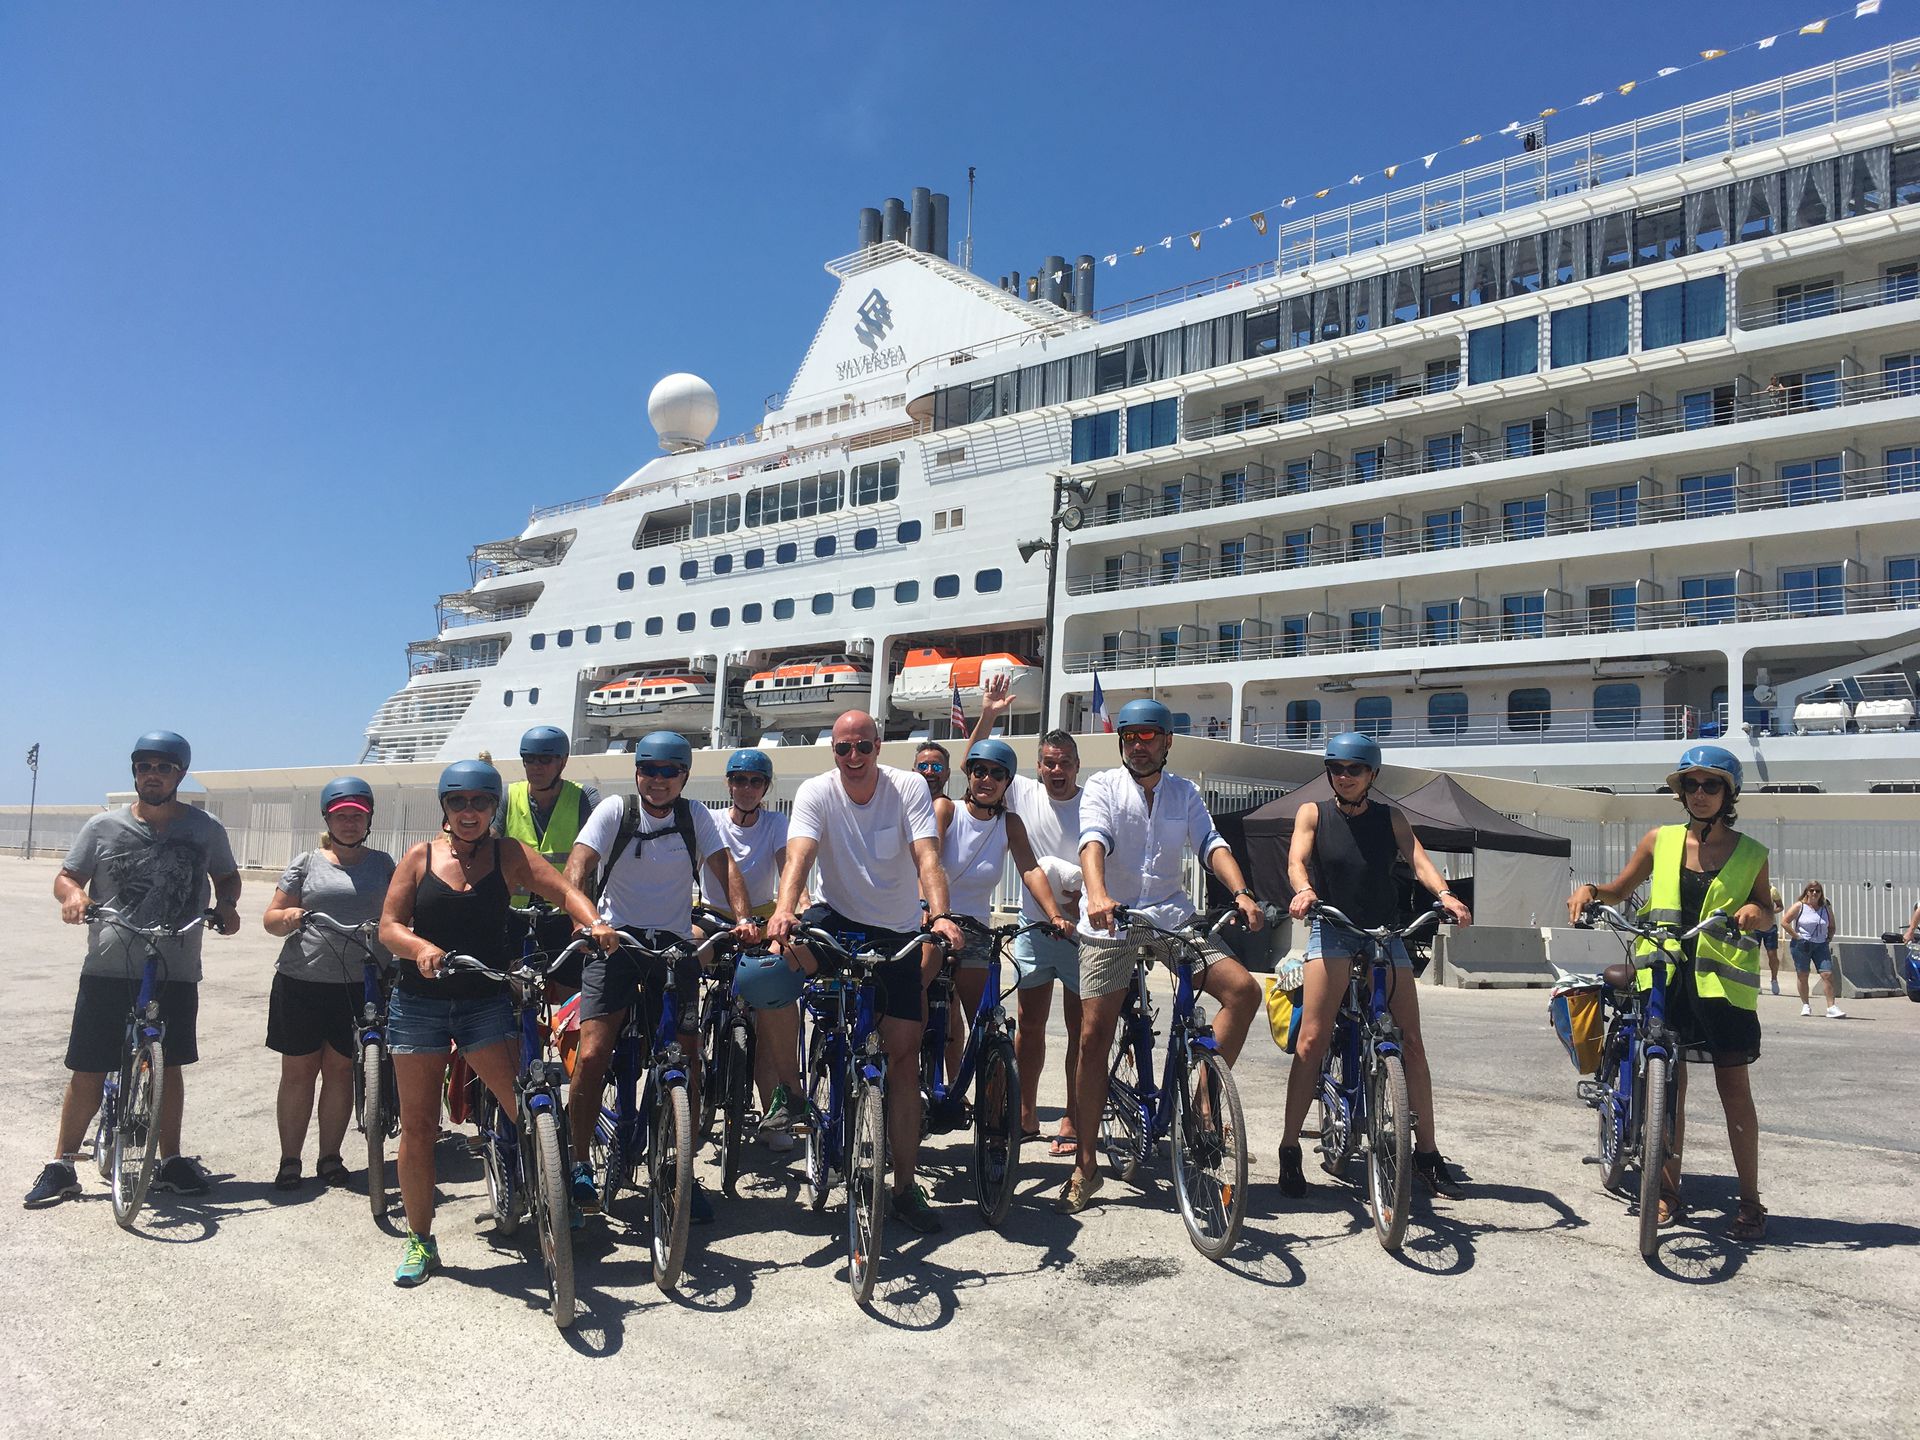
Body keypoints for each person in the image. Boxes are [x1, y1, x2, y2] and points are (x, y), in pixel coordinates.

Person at [379, 760, 614, 1286]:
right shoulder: (419, 858)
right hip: (419, 1004)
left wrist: (593, 921)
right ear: (444, 806)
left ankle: (552, 1199)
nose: (469, 812)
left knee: (528, 1114)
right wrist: (419, 949)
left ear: (493, 808)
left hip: (485, 1001)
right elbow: (389, 927)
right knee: (418, 1126)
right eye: (458, 802)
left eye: (480, 803)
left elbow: (562, 890)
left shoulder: (507, 854)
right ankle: (422, 1241)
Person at [1063, 699, 1265, 1215]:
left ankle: (1203, 1099)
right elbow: (1093, 842)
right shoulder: (1104, 788)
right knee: (1092, 1036)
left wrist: (1241, 891)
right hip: (1113, 920)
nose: (1139, 743)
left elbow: (1211, 843)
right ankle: (1085, 1165)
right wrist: (1099, 895)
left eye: (1150, 735)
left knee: (1243, 990)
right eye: (1130, 736)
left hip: (1171, 917)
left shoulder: (1185, 792)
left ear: (1168, 741)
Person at [767, 710, 965, 1233]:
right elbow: (799, 857)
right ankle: (791, 1089)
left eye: (863, 748)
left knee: (902, 1061)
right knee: (768, 972)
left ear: (879, 746)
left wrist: (940, 915)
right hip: (835, 918)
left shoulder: (906, 789)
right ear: (833, 751)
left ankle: (903, 1187)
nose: (853, 758)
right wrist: (785, 909)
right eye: (843, 749)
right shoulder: (817, 791)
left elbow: (928, 858)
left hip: (896, 929)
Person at [26, 731, 242, 1208]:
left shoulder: (205, 829)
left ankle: (171, 1160)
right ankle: (62, 1163)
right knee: (89, 1064)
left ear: (179, 775)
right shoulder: (102, 827)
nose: (153, 775)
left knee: (173, 1062)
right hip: (109, 964)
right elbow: (68, 875)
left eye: (163, 768)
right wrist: (73, 896)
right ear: (135, 773)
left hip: (176, 964)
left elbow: (226, 875)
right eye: (144, 767)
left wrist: (226, 903)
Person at [1567, 744, 1774, 1242]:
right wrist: (1590, 891)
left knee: (1735, 1094)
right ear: (1680, 792)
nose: (1699, 794)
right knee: (1668, 1088)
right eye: (1690, 785)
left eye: (1711, 785)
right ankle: (1665, 1193)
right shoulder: (1660, 839)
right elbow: (1619, 889)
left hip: (1723, 989)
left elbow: (1765, 911)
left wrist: (1756, 915)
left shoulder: (1751, 853)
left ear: (1730, 793)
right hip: (1665, 979)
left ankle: (1750, 1201)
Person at [563, 732, 757, 1220]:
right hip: (615, 941)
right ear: (637, 774)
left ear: (685, 776)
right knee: (592, 1052)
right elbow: (578, 868)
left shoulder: (696, 817)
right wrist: (587, 923)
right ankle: (578, 1161)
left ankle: (675, 1165)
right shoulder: (615, 810)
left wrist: (742, 918)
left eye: (669, 772)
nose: (658, 780)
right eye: (649, 770)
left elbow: (724, 866)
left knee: (686, 1060)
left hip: (673, 947)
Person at [1277, 733, 1474, 1202]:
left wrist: (1444, 893)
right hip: (1334, 927)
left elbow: (1419, 859)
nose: (1344, 777)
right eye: (1337, 769)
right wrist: (1303, 889)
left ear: (1372, 775)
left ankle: (1426, 1154)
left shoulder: (1391, 817)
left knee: (1412, 1043)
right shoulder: (1314, 813)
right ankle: (1288, 1147)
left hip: (1385, 933)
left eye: (1354, 769)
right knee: (1311, 1040)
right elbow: (1296, 860)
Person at [259, 776, 396, 1190]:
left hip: (359, 982)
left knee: (340, 1072)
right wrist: (288, 917)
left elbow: (400, 913)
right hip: (302, 980)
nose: (350, 824)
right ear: (328, 821)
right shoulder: (306, 863)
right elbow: (271, 918)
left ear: (369, 819)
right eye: (342, 817)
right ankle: (289, 1160)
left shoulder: (384, 865)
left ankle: (330, 1158)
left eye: (357, 816)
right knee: (298, 1071)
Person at [970, 676, 1087, 1155]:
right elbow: (976, 763)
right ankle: (1025, 1114)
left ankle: (1074, 1119)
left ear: (1077, 766)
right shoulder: (1020, 794)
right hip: (1035, 928)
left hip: (1084, 932)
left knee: (1083, 1032)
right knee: (1031, 1026)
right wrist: (990, 715)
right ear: (1037, 766)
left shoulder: (1092, 799)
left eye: (1064, 764)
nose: (1056, 771)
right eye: (1049, 763)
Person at [932, 738, 1075, 1076]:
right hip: (933, 921)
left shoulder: (1009, 824)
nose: (987, 779)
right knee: (921, 1014)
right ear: (969, 774)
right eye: (979, 770)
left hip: (977, 932)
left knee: (986, 1024)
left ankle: (981, 1107)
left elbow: (1031, 869)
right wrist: (931, 909)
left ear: (1007, 782)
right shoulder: (947, 811)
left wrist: (1054, 914)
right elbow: (930, 861)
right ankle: (910, 1085)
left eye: (997, 773)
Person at [702, 748, 805, 1154]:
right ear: (729, 783)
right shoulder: (710, 821)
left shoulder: (776, 822)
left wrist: (792, 909)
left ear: (766, 787)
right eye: (740, 780)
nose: (747, 788)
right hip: (713, 916)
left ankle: (772, 1114)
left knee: (769, 1009)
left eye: (756, 782)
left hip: (762, 920)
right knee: (684, 967)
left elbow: (787, 868)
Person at [497, 725, 600, 964]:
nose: (536, 766)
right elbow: (487, 839)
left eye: (545, 759)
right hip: (514, 912)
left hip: (566, 912)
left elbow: (600, 843)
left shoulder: (584, 797)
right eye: (529, 759)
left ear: (563, 762)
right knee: (511, 982)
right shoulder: (509, 796)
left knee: (569, 986)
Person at [1782, 881, 1842, 1019]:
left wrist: (1829, 938)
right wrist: (1797, 936)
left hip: (1821, 945)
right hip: (1802, 945)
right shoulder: (1800, 906)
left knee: (1827, 974)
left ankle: (1831, 1007)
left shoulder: (1825, 908)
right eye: (1812, 890)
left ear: (1821, 893)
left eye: (1817, 891)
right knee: (1803, 974)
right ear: (1807, 892)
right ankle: (1806, 1004)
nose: (1814, 893)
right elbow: (1784, 922)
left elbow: (1832, 925)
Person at [1759, 884, 1783, 995]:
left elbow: (1780, 906)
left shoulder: (1772, 890)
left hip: (1770, 926)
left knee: (1772, 955)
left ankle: (1774, 979)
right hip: (1755, 926)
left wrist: (1770, 912)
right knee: (1753, 955)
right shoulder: (1752, 888)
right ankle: (1756, 981)